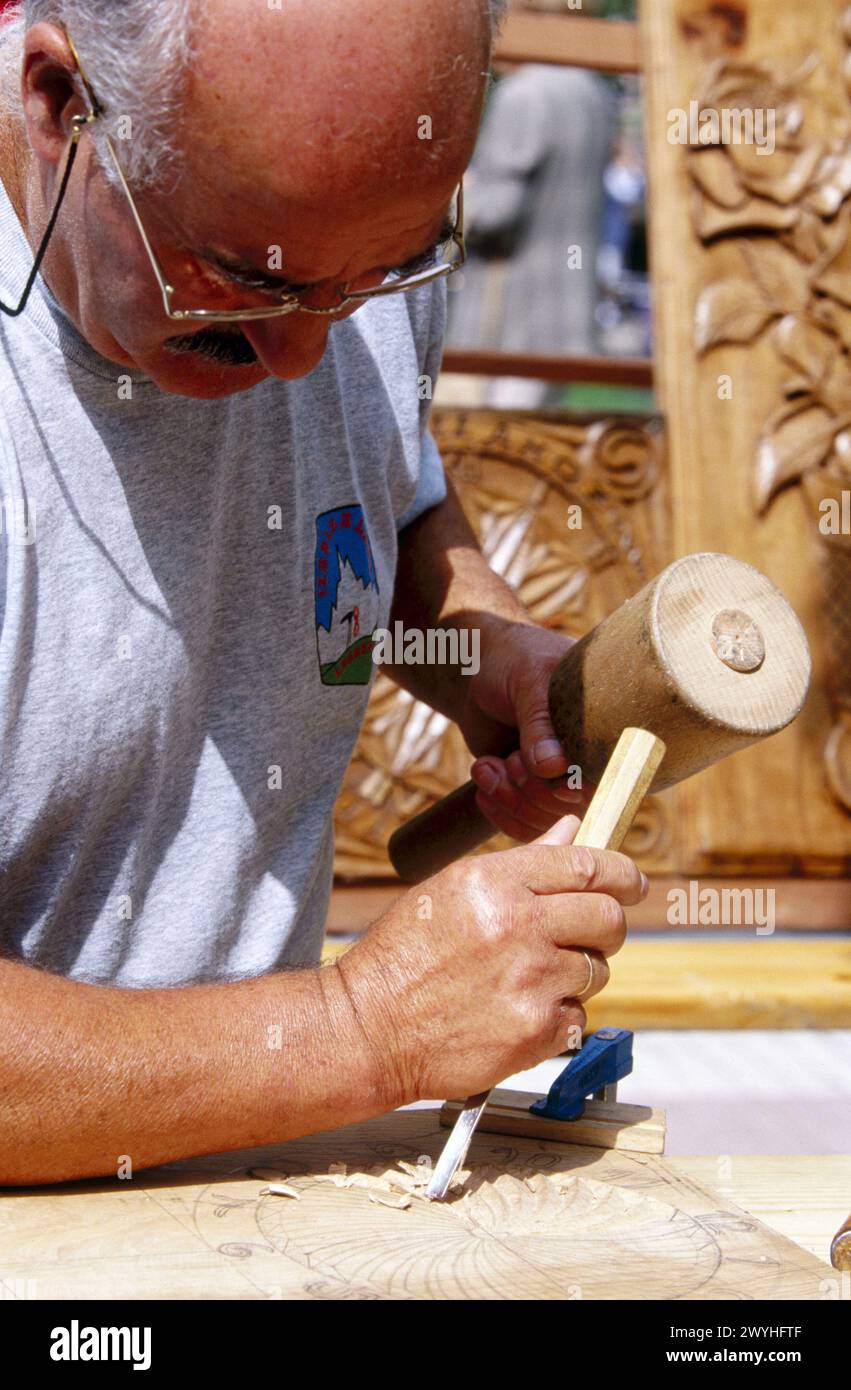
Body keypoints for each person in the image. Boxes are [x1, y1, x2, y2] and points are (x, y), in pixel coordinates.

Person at [0, 0, 646, 1185]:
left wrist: (479, 652)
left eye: (387, 273)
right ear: (58, 105)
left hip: (265, 1183)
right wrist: (361, 1029)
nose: (307, 354)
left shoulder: (338, 242)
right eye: (243, 281)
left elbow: (380, 500)